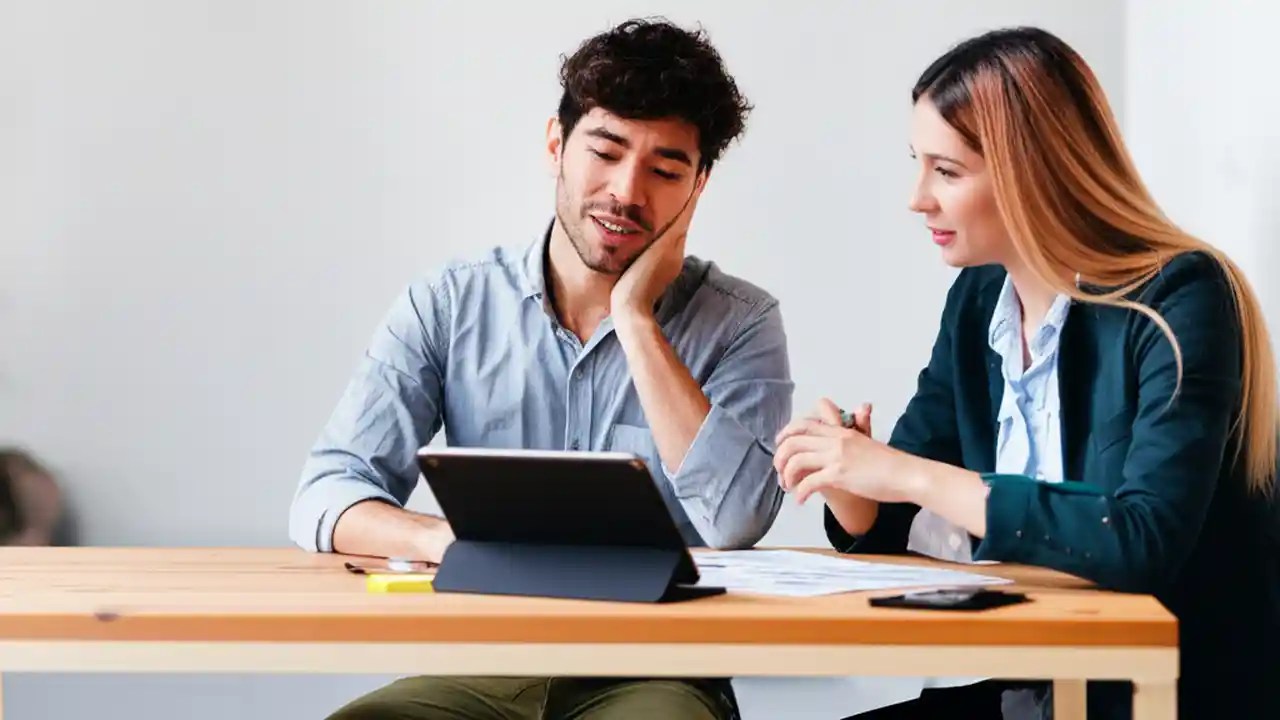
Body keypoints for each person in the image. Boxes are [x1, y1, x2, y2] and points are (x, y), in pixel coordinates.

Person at [290, 17, 793, 720]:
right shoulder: (450, 301)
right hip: (483, 665)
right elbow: (327, 491)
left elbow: (737, 520)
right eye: (606, 151)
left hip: (660, 675)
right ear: (556, 145)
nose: (627, 190)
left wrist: (637, 319)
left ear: (697, 188)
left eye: (666, 169)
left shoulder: (741, 322)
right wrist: (448, 541)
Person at [774, 26, 1280, 720]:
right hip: (1025, 689)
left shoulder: (1182, 298)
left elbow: (1141, 543)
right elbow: (905, 514)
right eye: (918, 164)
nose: (917, 197)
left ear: (1031, 171)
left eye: (946, 171)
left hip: (1153, 697)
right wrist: (851, 481)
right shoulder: (980, 298)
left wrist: (905, 474)